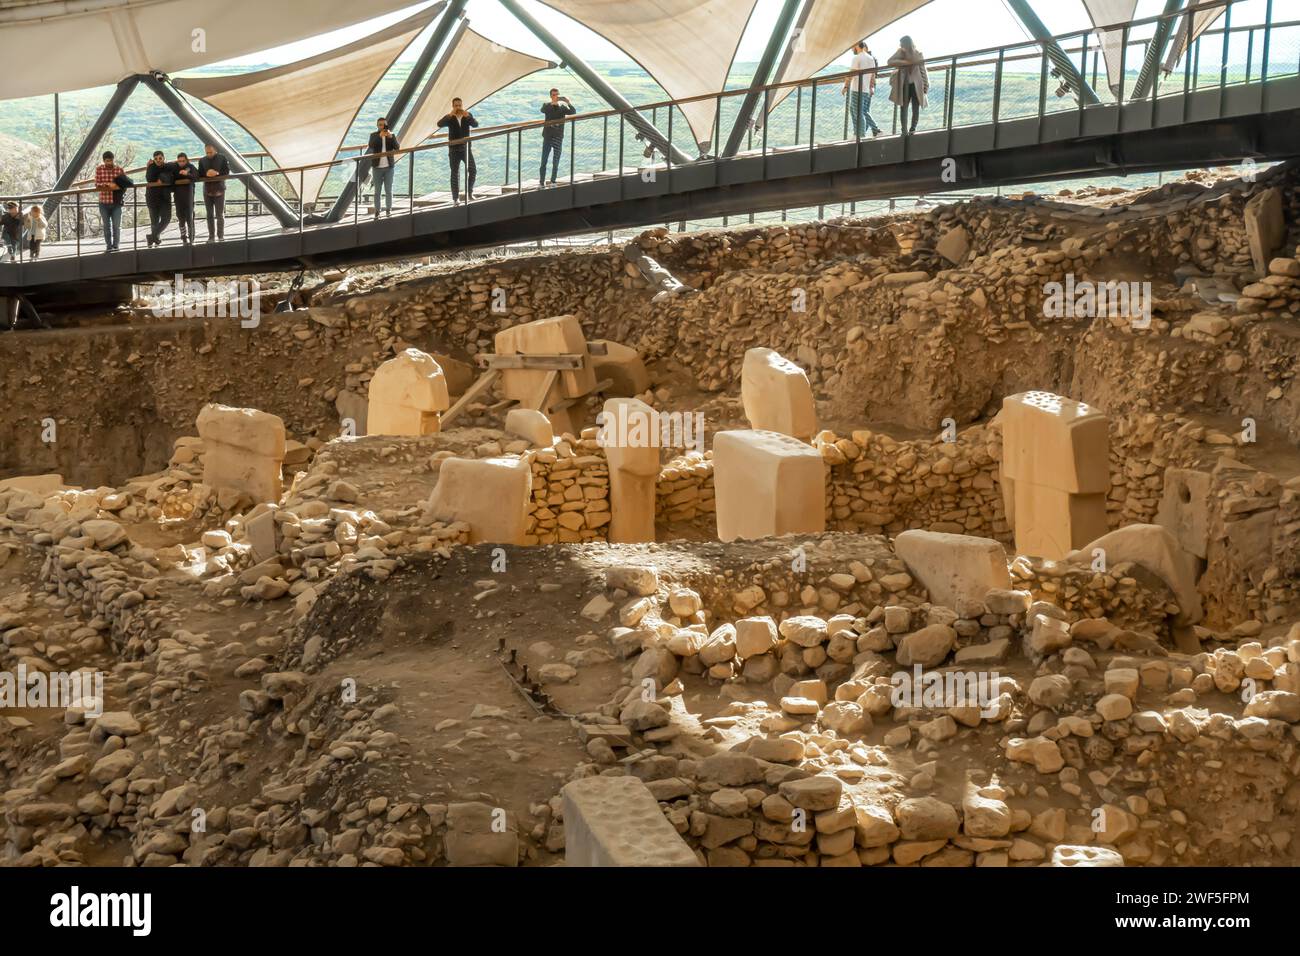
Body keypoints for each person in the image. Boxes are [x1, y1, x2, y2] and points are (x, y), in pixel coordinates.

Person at [437, 98, 478, 203]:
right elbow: (439, 124)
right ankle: (455, 198)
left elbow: (475, 124)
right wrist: (450, 114)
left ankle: (469, 193)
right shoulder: (450, 118)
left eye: (460, 105)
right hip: (454, 149)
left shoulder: (467, 116)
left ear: (462, 105)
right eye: (456, 106)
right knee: (455, 173)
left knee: (472, 170)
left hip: (465, 149)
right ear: (452, 106)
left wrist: (467, 116)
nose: (458, 108)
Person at [888, 36, 929, 135]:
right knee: (903, 107)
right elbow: (889, 61)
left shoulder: (918, 54)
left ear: (907, 44)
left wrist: (926, 85)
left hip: (916, 85)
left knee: (916, 107)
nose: (900, 46)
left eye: (902, 44)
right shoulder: (900, 53)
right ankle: (904, 130)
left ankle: (913, 128)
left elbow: (923, 70)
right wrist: (905, 62)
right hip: (904, 84)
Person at [842, 40, 882, 138]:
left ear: (856, 45)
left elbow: (851, 73)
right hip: (865, 89)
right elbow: (873, 75)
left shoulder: (857, 58)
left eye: (852, 47)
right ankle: (860, 134)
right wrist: (871, 87)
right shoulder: (870, 58)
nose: (852, 49)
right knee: (858, 111)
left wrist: (846, 86)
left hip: (857, 89)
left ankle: (861, 136)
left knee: (857, 113)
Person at [539, 88, 576, 186]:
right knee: (544, 160)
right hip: (547, 136)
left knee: (556, 160)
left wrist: (568, 102)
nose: (556, 96)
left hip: (558, 137)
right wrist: (553, 103)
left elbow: (573, 112)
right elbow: (542, 110)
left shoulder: (563, 107)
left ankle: (553, 180)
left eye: (557, 94)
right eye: (554, 95)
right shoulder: (546, 105)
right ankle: (541, 182)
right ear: (550, 96)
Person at [366, 117, 400, 218]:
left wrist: (391, 137)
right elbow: (371, 145)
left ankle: (388, 209)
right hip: (377, 167)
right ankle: (377, 210)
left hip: (389, 167)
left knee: (388, 190)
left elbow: (397, 147)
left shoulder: (391, 135)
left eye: (384, 124)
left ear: (387, 125)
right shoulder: (374, 135)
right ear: (377, 126)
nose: (382, 126)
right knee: (377, 191)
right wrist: (379, 137)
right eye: (380, 125)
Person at [197, 143, 230, 241]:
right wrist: (206, 174)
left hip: (220, 189)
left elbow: (227, 171)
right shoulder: (202, 160)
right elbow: (200, 173)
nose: (209, 154)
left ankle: (220, 236)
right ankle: (211, 236)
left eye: (210, 152)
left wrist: (217, 173)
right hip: (207, 190)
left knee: (220, 215)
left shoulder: (222, 158)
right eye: (207, 152)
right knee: (209, 214)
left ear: (215, 150)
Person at [94, 150, 125, 251]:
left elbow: (125, 184)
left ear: (113, 160)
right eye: (107, 161)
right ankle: (108, 246)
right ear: (104, 161)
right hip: (104, 202)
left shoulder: (119, 170)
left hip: (116, 202)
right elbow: (97, 184)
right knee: (106, 226)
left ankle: (116, 245)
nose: (109, 163)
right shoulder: (99, 169)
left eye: (110, 160)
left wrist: (116, 186)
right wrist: (107, 185)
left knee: (116, 226)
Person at [144, 150, 174, 247]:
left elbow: (171, 178)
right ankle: (155, 240)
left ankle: (151, 237)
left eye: (160, 158)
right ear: (153, 159)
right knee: (154, 220)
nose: (158, 160)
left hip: (164, 198)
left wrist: (162, 177)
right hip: (152, 197)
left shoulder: (168, 166)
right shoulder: (151, 167)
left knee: (166, 219)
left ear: (164, 158)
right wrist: (149, 168)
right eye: (156, 159)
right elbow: (149, 178)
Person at [172, 152, 198, 245]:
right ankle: (183, 238)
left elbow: (196, 176)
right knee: (181, 219)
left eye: (183, 161)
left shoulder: (191, 167)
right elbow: (172, 178)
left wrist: (187, 174)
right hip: (178, 198)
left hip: (189, 198)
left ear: (186, 160)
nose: (181, 163)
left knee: (190, 219)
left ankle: (192, 238)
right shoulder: (175, 169)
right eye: (179, 161)